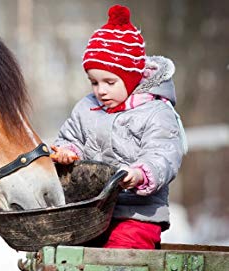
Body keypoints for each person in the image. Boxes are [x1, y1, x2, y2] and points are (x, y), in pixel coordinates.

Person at [50, 4, 187, 249]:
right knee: (67, 251)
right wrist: (66, 152)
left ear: (132, 78)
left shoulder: (157, 112)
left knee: (119, 254)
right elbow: (71, 137)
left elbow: (163, 155)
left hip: (137, 215)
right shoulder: (86, 107)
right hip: (91, 213)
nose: (100, 90)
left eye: (110, 82)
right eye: (94, 82)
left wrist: (139, 174)